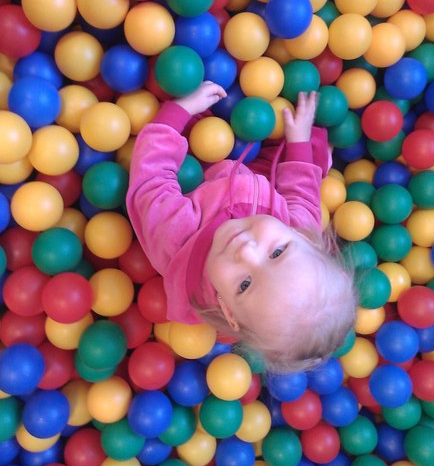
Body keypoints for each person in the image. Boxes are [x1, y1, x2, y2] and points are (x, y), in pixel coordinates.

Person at [126, 81, 357, 372]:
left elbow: (151, 181)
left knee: (182, 92)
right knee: (312, 146)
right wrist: (299, 141)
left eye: (244, 285)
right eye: (277, 253)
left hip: (204, 171)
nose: (246, 250)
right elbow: (301, 193)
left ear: (228, 311)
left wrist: (178, 113)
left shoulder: (177, 236)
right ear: (309, 240)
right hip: (257, 178)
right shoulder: (299, 229)